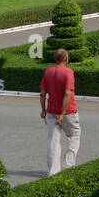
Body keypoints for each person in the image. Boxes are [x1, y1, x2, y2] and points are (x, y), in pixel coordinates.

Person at [40, 48, 81, 176]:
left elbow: (42, 94)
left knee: (53, 140)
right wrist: (63, 113)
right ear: (66, 59)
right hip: (68, 112)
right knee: (74, 136)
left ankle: (53, 172)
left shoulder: (48, 72)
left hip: (51, 112)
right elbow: (68, 93)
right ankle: (68, 167)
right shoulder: (68, 72)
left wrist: (43, 110)